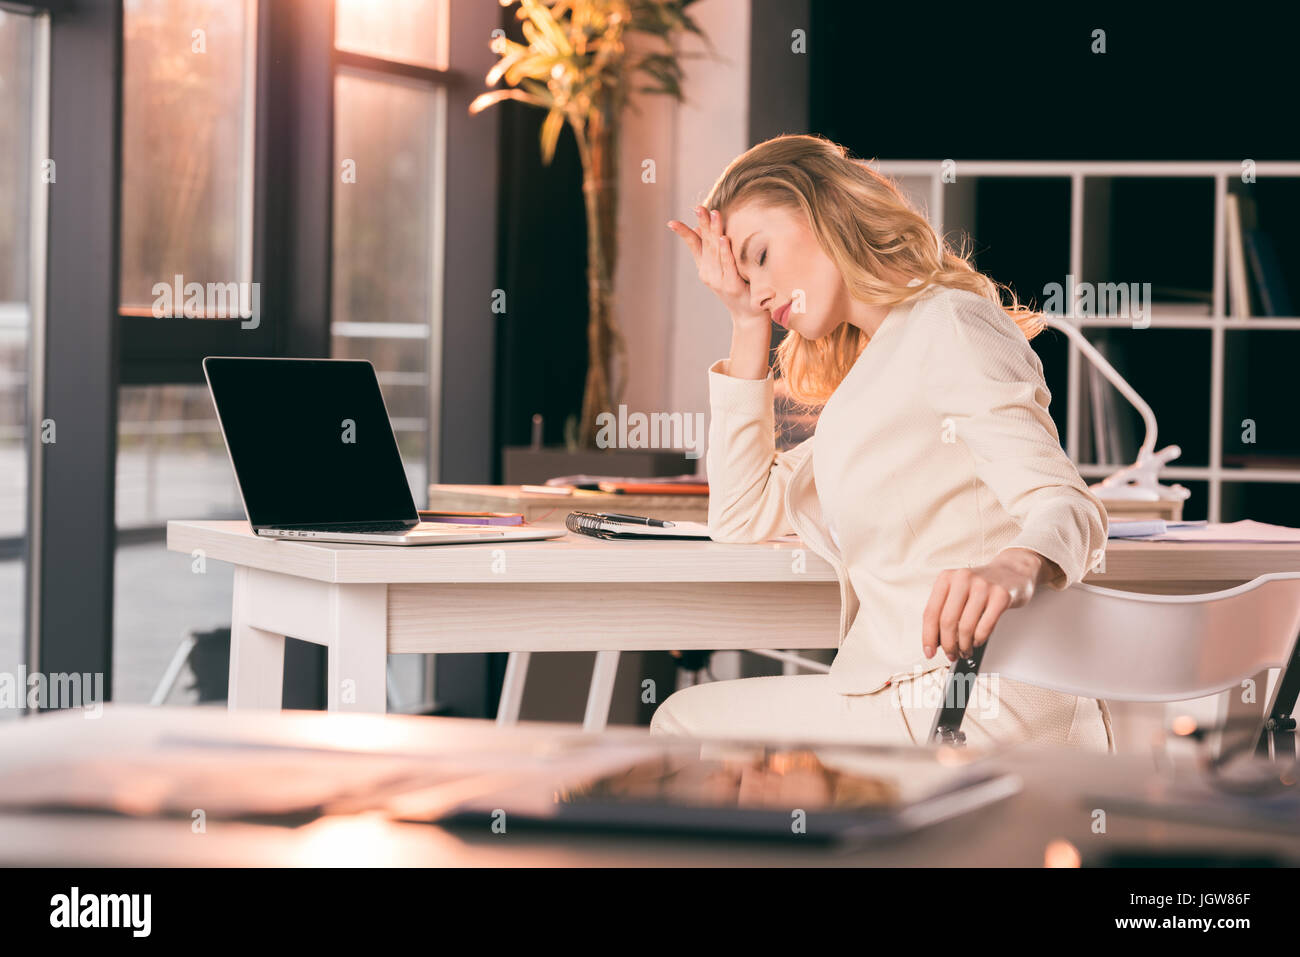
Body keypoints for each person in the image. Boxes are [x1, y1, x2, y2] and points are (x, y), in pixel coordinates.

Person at [656, 134, 1113, 753]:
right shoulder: (878, 368)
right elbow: (740, 514)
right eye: (741, 276)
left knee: (682, 724)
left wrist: (1012, 565)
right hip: (934, 694)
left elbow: (1065, 502)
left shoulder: (946, 322)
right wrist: (745, 322)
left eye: (759, 255)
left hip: (970, 700)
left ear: (827, 212)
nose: (756, 287)